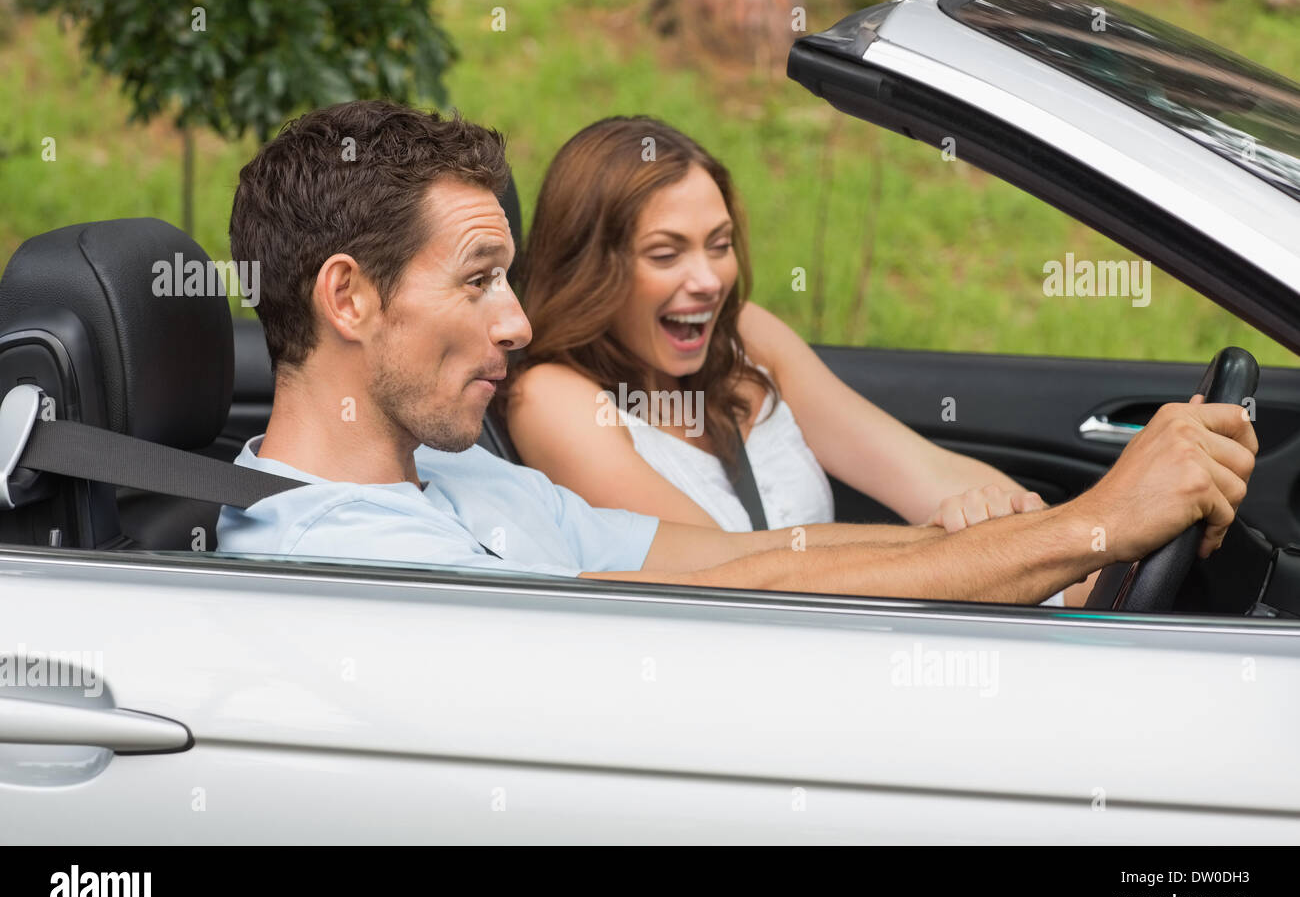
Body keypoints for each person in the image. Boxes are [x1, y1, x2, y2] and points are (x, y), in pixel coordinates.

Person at [216, 100, 1256, 608]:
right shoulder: (361, 570)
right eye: (479, 277)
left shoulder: (454, 473)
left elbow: (744, 559)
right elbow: (740, 606)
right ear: (348, 296)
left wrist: (1076, 536)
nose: (517, 322)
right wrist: (1094, 526)